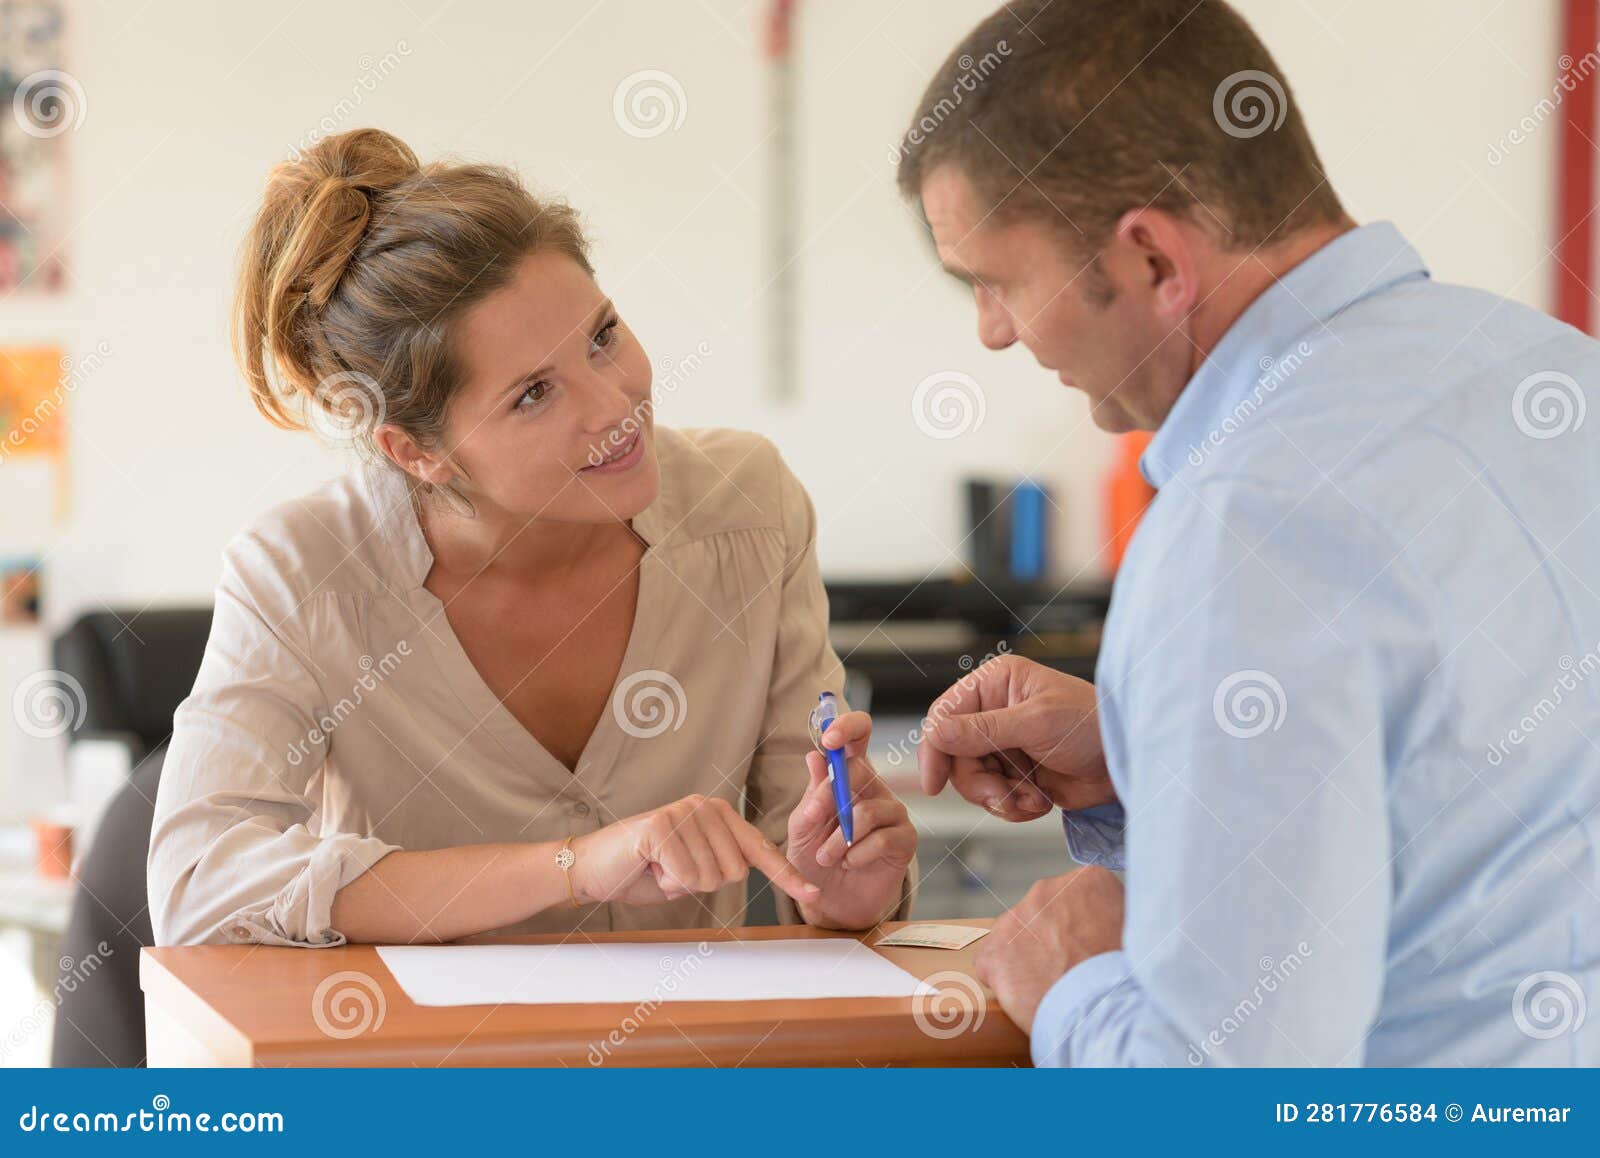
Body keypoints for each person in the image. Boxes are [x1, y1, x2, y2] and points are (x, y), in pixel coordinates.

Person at [900, 0, 1599, 1065]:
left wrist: (1071, 984)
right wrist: (1159, 754)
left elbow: (1227, 1105)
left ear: (1147, 260)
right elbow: (1488, 822)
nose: (994, 332)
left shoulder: (1243, 524)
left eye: (995, 281)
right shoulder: (1548, 372)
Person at [148, 128, 916, 948]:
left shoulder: (748, 509)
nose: (614, 406)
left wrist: (846, 885)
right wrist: (575, 865)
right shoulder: (301, 573)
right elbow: (201, 890)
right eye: (533, 395)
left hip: (685, 1067)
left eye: (603, 336)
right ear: (421, 453)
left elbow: (816, 841)